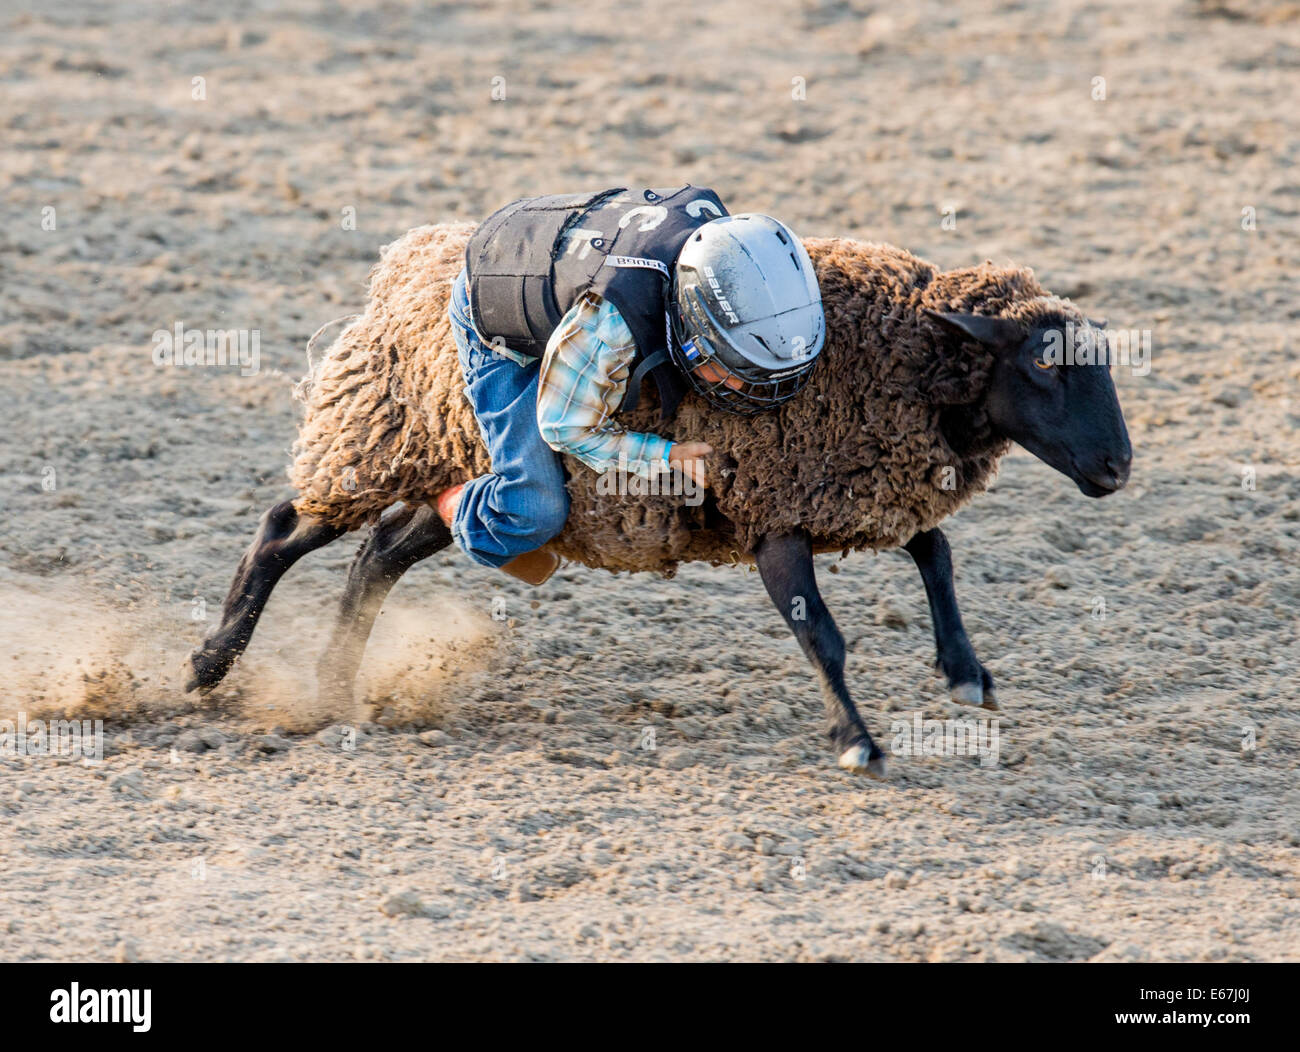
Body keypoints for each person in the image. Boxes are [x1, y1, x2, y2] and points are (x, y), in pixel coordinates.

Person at [437, 185, 825, 585]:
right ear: (692, 327)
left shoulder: (727, 243)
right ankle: (463, 513)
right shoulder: (608, 326)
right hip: (496, 292)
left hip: (574, 248)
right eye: (730, 367)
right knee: (534, 509)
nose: (741, 386)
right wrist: (667, 456)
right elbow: (564, 427)